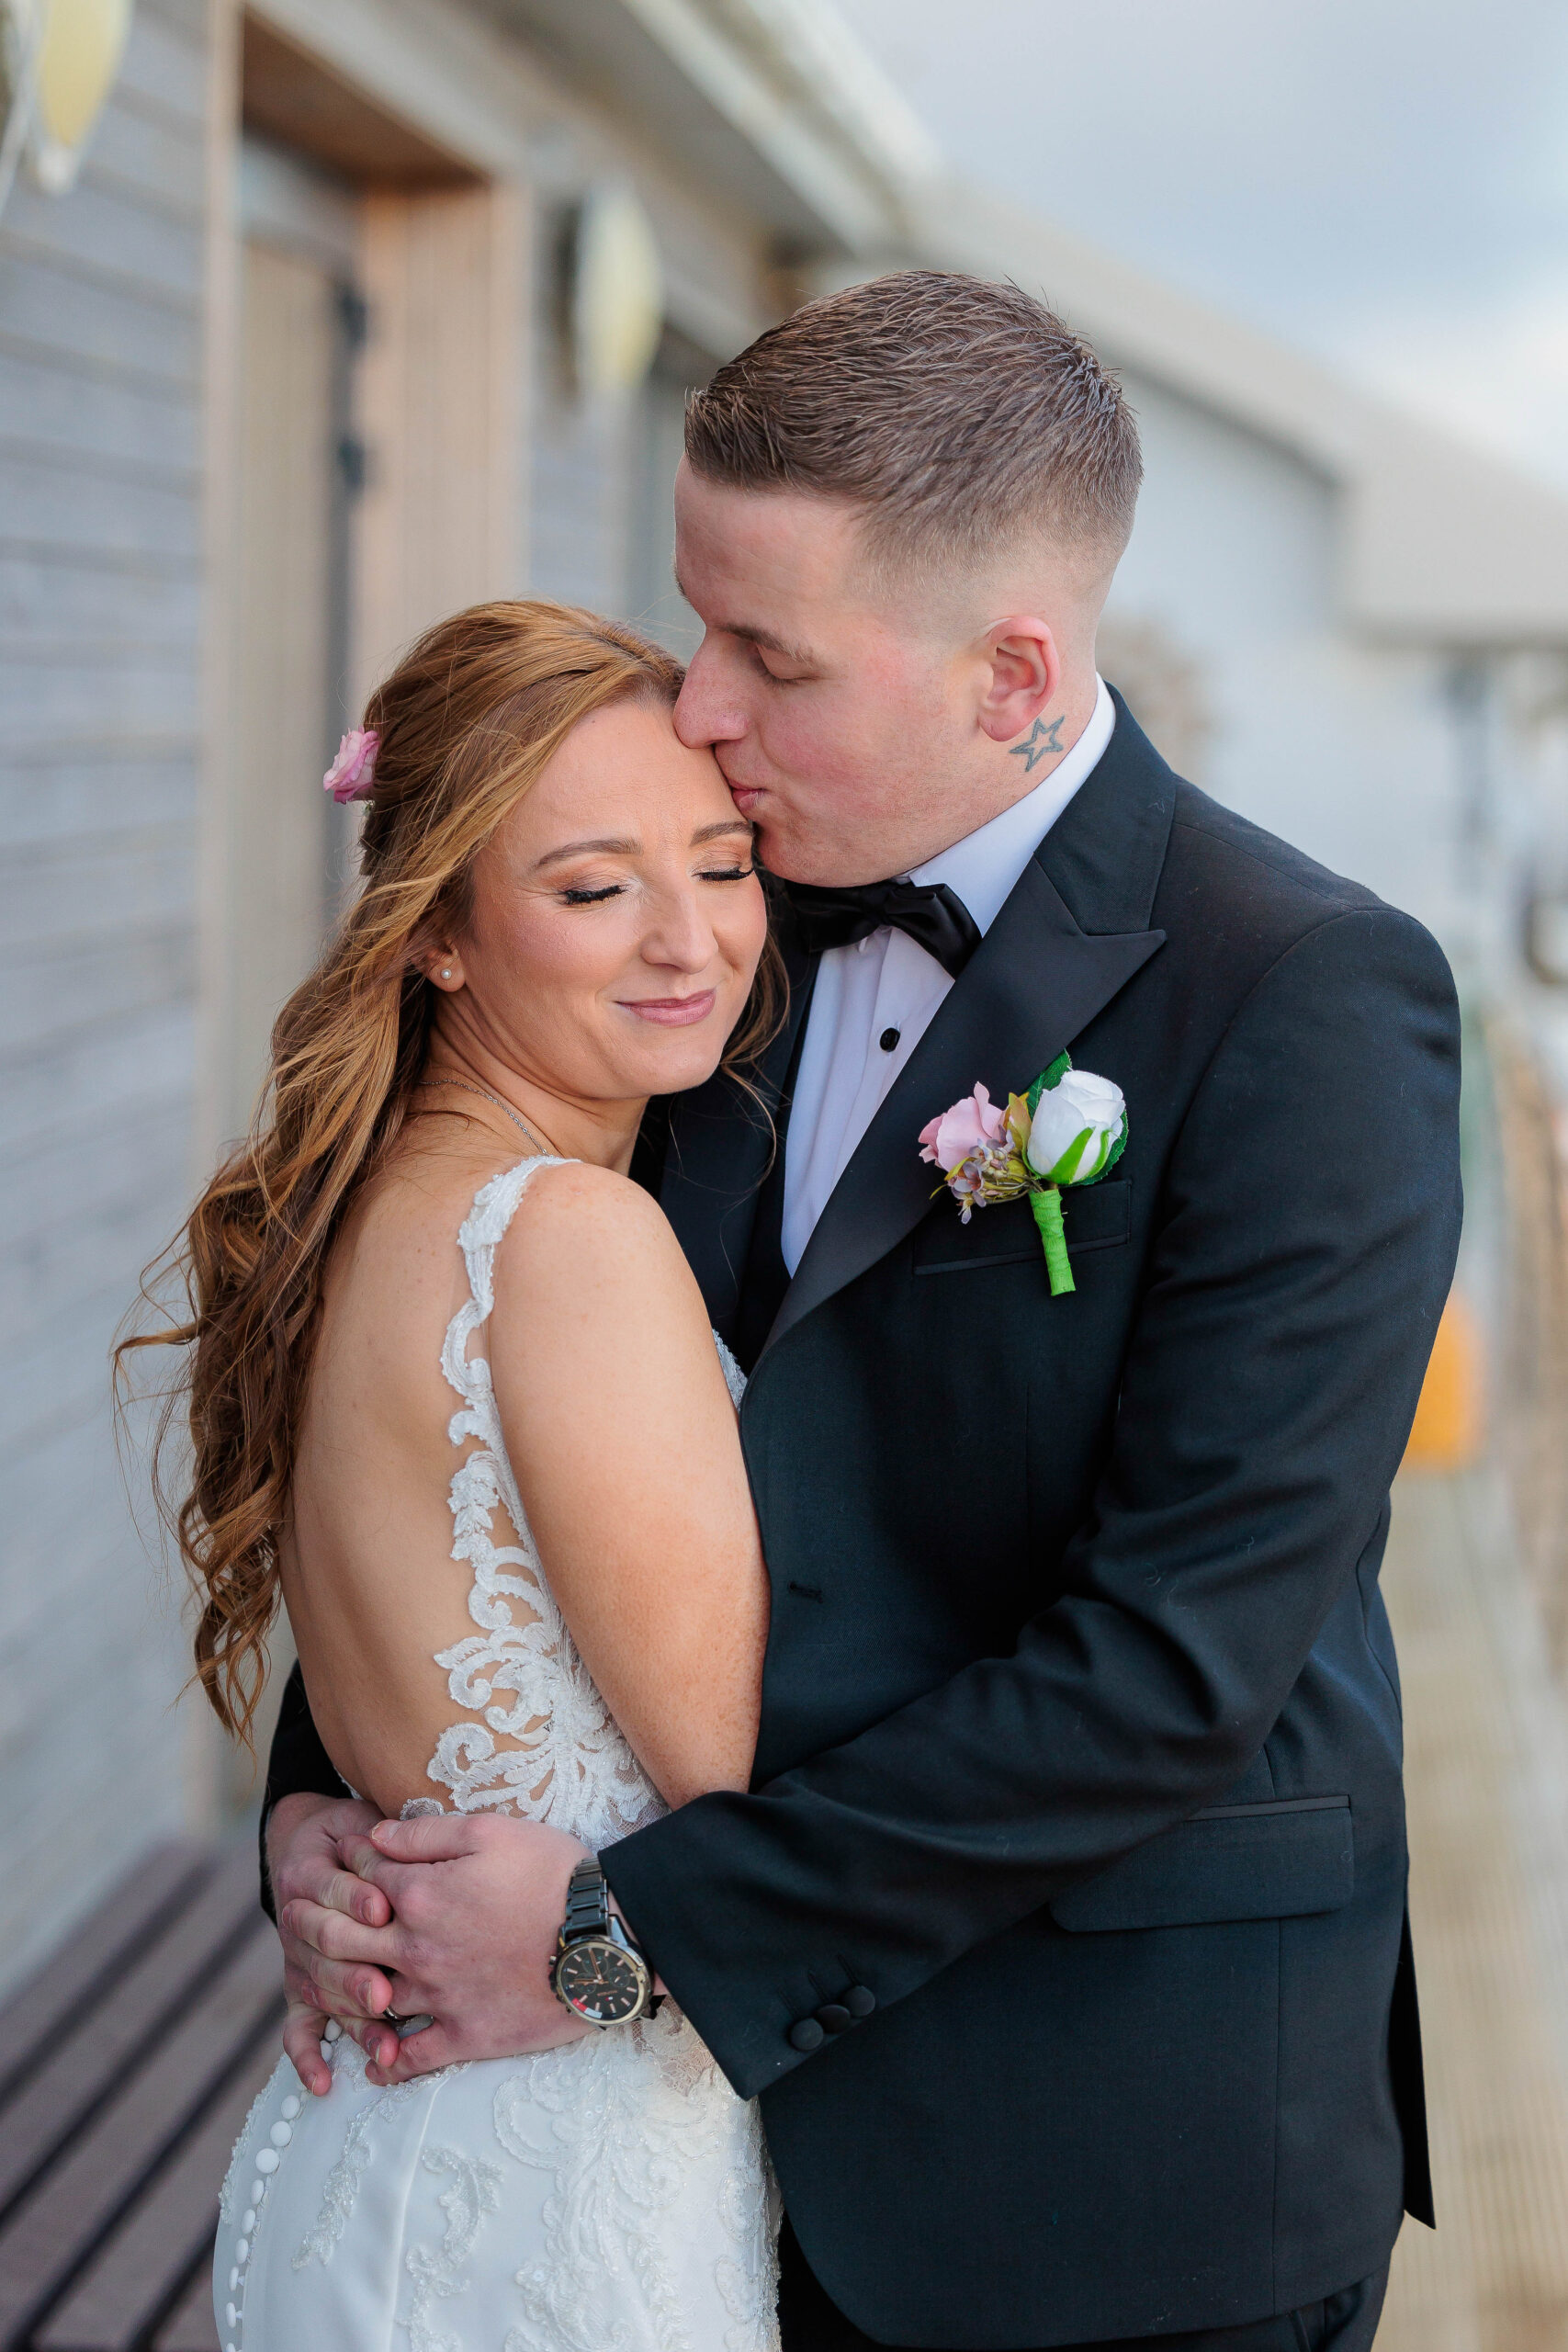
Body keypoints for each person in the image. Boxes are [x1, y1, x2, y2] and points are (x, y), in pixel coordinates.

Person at [263, 273, 1461, 2352]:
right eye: (692, 615)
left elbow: (1172, 1664)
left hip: (1102, 2171)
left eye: (765, 652)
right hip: (671, 2165)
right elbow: (505, 1435)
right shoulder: (710, 918)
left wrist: (617, 1939)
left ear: (1009, 670)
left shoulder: (1300, 999)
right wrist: (337, 1803)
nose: (695, 705)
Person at [126, 604, 790, 2348]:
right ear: (438, 936)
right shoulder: (571, 1237)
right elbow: (733, 1783)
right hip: (564, 2175)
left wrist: (300, 1832)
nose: (691, 941)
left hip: (372, 2145)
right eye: (591, 890)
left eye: (721, 865)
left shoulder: (355, 1207)